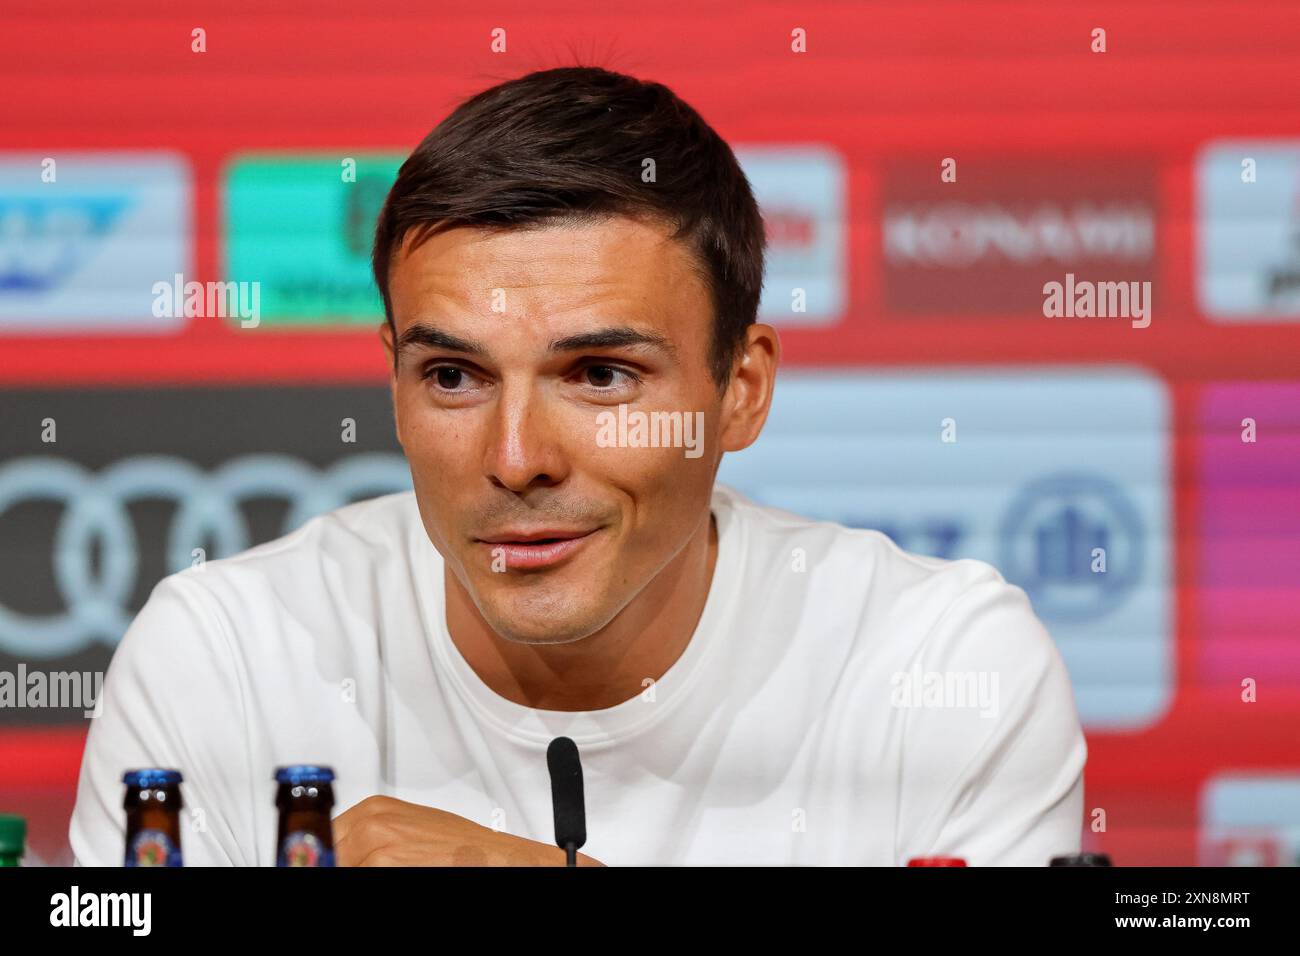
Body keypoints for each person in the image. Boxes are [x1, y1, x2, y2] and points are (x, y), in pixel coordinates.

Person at [70, 66, 1085, 866]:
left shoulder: (940, 667)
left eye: (599, 374)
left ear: (740, 387)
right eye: (455, 376)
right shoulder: (223, 658)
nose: (515, 460)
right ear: (392, 378)